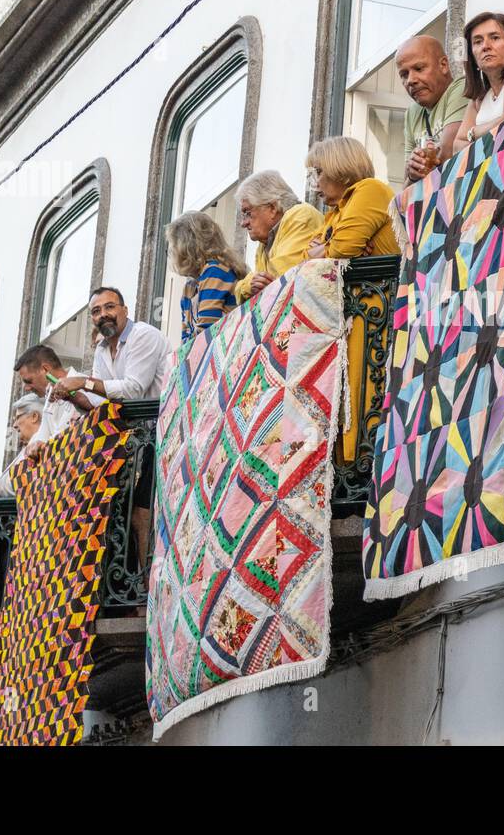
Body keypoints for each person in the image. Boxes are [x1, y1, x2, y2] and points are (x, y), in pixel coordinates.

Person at [52, 287, 170, 570]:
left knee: (144, 514)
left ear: (125, 310)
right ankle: (135, 582)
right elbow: (98, 403)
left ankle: (146, 587)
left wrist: (82, 382)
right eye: (95, 311)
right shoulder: (103, 349)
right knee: (123, 514)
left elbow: (132, 391)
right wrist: (72, 396)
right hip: (133, 443)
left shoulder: (144, 335)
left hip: (162, 433)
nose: (103, 314)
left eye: (109, 307)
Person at [304, 136, 399, 461]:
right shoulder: (336, 212)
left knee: (366, 395)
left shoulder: (369, 190)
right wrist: (328, 251)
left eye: (318, 171)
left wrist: (330, 251)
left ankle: (364, 459)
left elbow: (338, 250)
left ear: (339, 167)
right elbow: (310, 256)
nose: (315, 182)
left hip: (378, 316)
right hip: (354, 318)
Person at [232, 170, 325, 302]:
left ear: (273, 208)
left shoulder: (300, 215)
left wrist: (250, 285)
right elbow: (242, 289)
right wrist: (249, 285)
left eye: (247, 212)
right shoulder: (264, 243)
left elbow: (284, 278)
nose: (243, 223)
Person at [454, 12, 504, 152]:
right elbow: (456, 148)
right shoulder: (479, 99)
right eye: (478, 42)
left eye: (495, 38)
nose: (485, 46)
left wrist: (474, 132)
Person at [166, 210, 248, 342]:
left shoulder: (214, 271)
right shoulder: (190, 287)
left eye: (173, 246)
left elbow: (206, 333)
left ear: (186, 246)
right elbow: (186, 339)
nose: (171, 253)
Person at [396, 35, 469, 183]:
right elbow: (405, 186)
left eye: (419, 68)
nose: (411, 80)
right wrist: (412, 174)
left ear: (443, 65)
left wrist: (417, 170)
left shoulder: (461, 88)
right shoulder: (412, 113)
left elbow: (448, 156)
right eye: (404, 74)